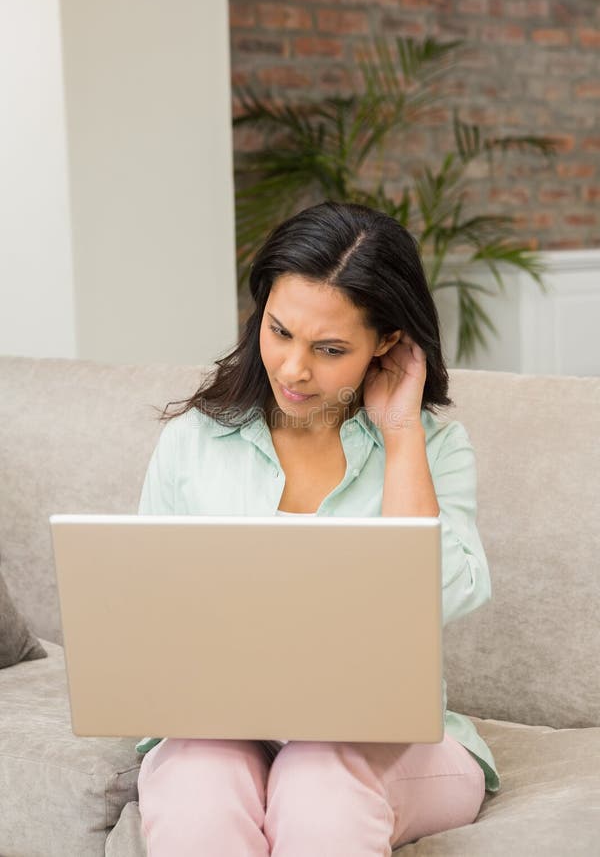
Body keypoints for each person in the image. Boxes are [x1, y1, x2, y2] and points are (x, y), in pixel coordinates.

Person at [135, 201, 500, 855]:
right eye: (279, 332)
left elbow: (440, 595)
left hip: (382, 738)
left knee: (317, 782)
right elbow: (144, 612)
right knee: (196, 792)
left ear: (387, 343)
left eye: (329, 349)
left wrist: (401, 434)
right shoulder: (193, 442)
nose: (294, 369)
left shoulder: (437, 448)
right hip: (218, 726)